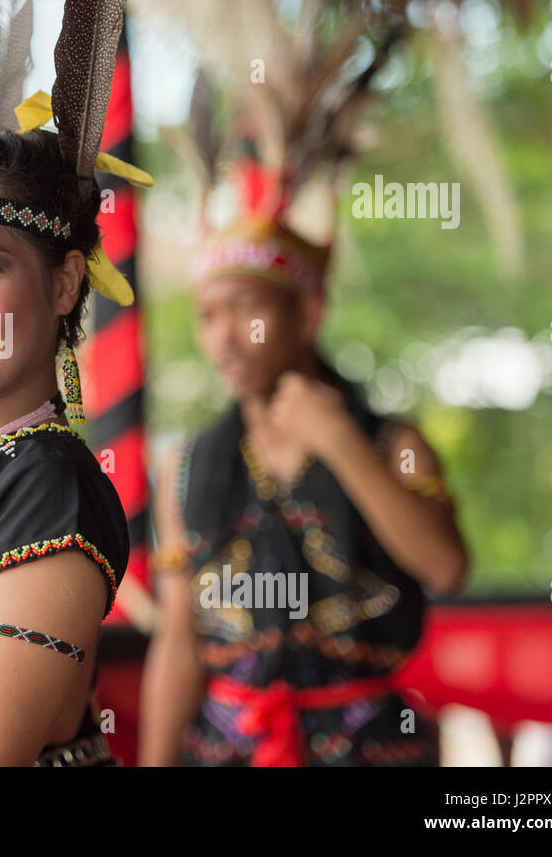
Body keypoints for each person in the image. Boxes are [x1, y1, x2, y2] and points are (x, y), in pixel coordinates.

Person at [138, 163, 469, 766]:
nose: (222, 339)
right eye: (207, 316)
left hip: (372, 749)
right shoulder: (186, 467)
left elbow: (445, 568)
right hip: (227, 749)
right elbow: (179, 646)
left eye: (245, 311)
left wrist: (339, 441)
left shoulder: (393, 444)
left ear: (308, 314)